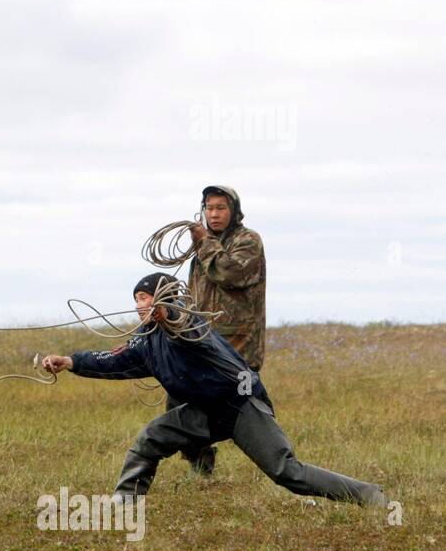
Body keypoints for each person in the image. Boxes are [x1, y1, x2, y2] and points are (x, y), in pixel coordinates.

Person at [39, 273, 386, 507]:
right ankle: (125, 502)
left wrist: (169, 313)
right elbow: (114, 360)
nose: (139, 305)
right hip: (204, 412)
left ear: (166, 299)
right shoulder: (147, 341)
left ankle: (370, 495)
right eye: (136, 299)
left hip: (240, 405)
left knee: (287, 473)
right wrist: (70, 361)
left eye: (145, 298)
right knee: (151, 438)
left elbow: (186, 329)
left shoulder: (189, 324)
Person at [173, 184, 266, 476]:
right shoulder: (204, 245)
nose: (214, 214)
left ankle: (276, 460)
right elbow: (195, 293)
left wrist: (204, 243)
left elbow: (229, 273)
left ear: (233, 211)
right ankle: (199, 464)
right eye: (209, 208)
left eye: (221, 208)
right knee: (180, 401)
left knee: (241, 410)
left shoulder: (248, 241)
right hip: (201, 342)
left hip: (237, 345)